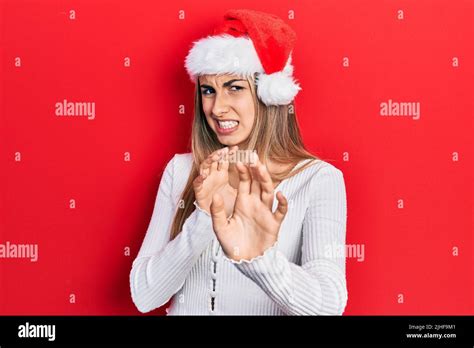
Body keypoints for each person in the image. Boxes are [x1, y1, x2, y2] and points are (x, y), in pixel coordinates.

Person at [129, 9, 348, 315]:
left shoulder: (318, 179)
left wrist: (259, 257)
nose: (217, 108)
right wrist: (203, 217)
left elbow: (329, 306)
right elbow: (144, 295)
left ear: (268, 95)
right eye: (208, 90)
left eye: (235, 87)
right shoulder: (180, 171)